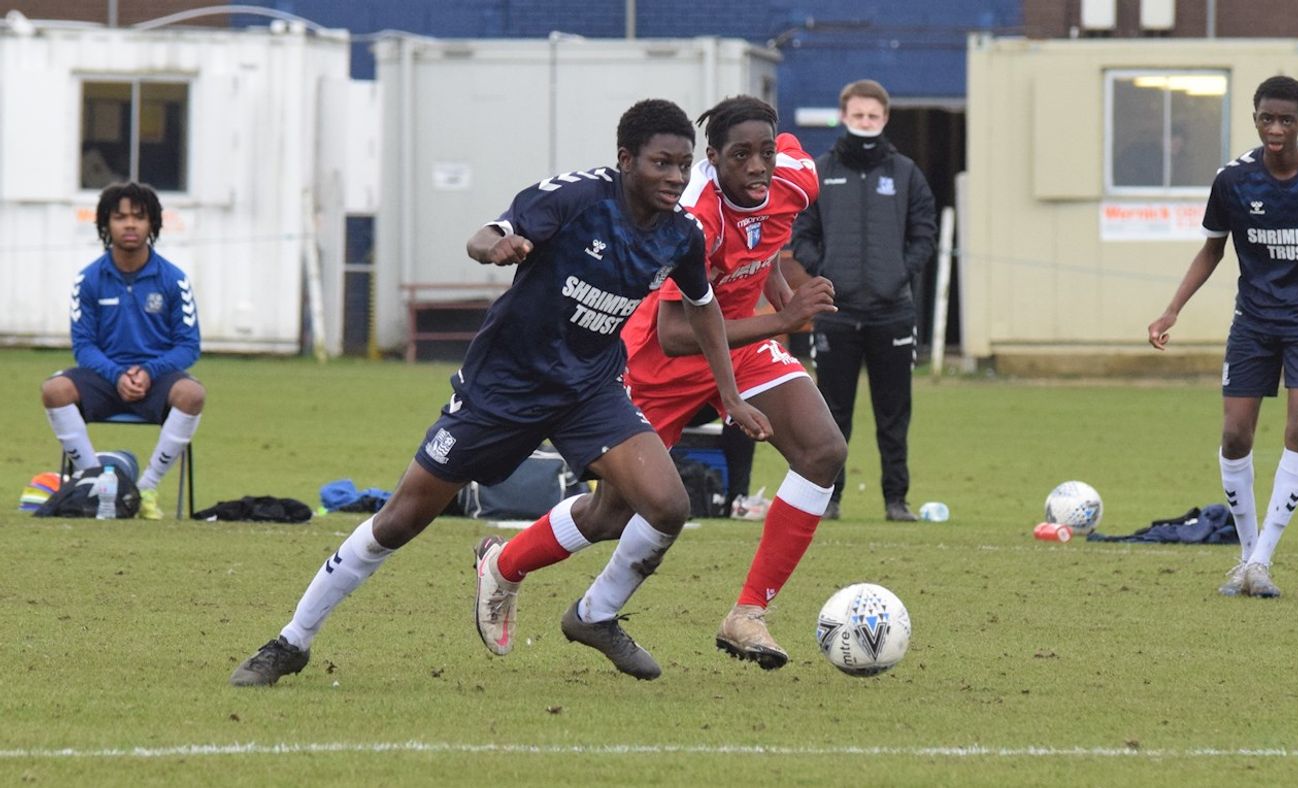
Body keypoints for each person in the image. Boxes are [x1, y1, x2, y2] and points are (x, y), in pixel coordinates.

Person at [228, 98, 771, 687]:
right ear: (625, 160)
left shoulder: (682, 234)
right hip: (504, 386)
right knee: (401, 520)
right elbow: (489, 232)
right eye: (661, 163)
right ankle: (291, 641)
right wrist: (495, 247)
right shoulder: (576, 198)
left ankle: (595, 614)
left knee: (667, 503)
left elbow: (703, 307)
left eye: (684, 165)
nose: (674, 178)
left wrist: (732, 395)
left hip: (590, 388)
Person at [473, 96, 845, 677]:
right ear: (712, 160)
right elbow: (676, 333)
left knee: (823, 450)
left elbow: (766, 245)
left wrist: (778, 303)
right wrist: (785, 318)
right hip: (658, 360)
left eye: (765, 152)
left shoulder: (795, 177)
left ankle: (744, 613)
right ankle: (505, 563)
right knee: (614, 514)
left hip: (739, 342)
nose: (757, 166)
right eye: (740, 155)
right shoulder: (693, 215)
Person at [1148, 76, 1298, 598]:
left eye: (1286, 120)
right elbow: (1212, 250)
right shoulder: (1233, 181)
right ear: (1254, 120)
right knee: (1235, 436)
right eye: (1266, 118)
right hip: (1254, 322)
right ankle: (1246, 559)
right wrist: (1172, 309)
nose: (1276, 129)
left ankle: (1262, 560)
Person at [791, 79, 937, 522]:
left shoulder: (906, 173)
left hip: (893, 314)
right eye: (858, 116)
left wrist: (898, 273)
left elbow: (924, 233)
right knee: (831, 416)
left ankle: (897, 500)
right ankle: (828, 500)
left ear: (885, 118)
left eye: (873, 116)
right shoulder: (821, 171)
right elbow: (802, 234)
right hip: (836, 315)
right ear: (844, 117)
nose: (866, 122)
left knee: (894, 416)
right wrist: (827, 272)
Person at [41, 182, 204, 520]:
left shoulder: (174, 280)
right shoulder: (89, 279)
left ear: (153, 224)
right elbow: (83, 346)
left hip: (156, 379)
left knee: (192, 394)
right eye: (120, 217)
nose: (130, 225)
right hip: (103, 376)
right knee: (54, 390)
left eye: (139, 217)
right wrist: (117, 375)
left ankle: (144, 489)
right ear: (105, 224)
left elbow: (189, 345)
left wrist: (148, 372)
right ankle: (94, 482)